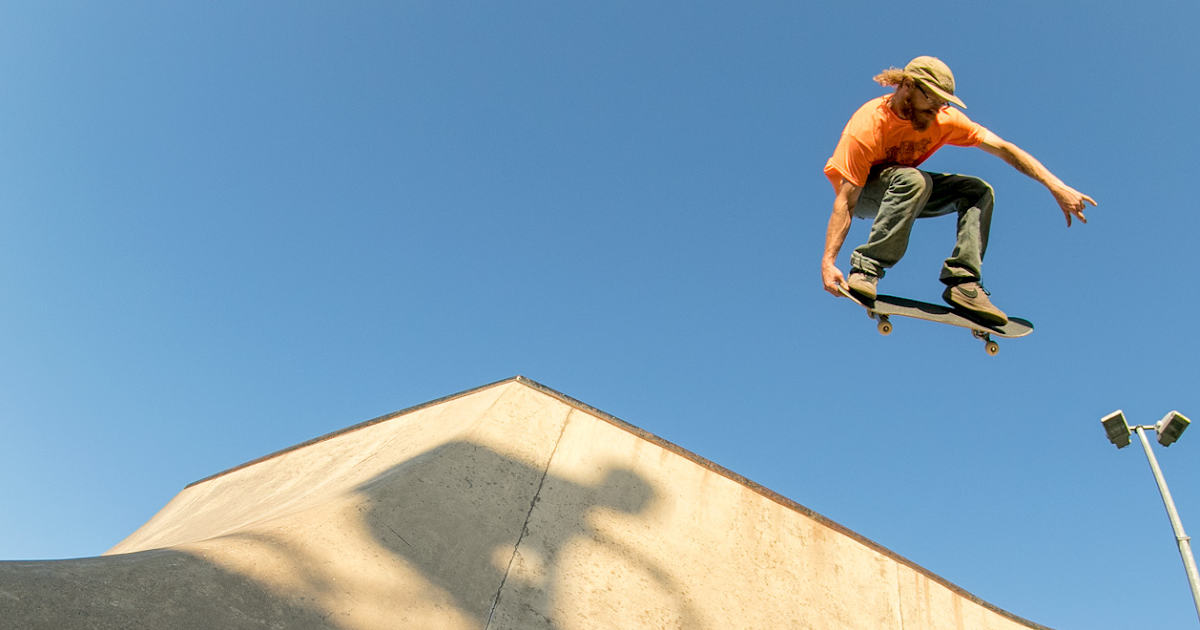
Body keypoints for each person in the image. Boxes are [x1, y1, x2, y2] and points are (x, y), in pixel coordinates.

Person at [821, 56, 1096, 325]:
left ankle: (963, 283)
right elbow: (846, 201)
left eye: (943, 103)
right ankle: (866, 269)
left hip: (906, 191)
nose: (937, 110)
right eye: (931, 99)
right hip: (865, 195)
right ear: (906, 85)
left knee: (976, 191)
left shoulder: (944, 119)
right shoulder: (869, 124)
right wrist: (829, 261)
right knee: (914, 181)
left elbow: (1005, 149)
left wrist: (1055, 185)